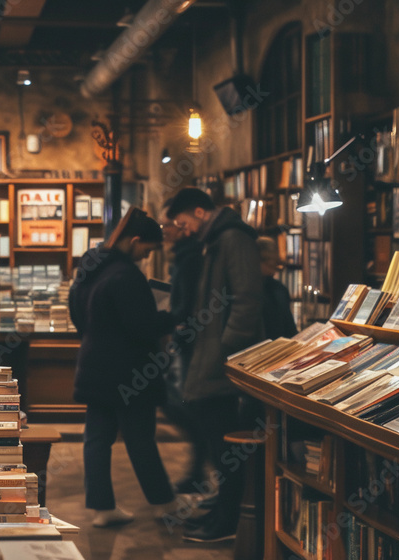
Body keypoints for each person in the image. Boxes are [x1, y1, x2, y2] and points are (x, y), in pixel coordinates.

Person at [164, 188, 263, 543]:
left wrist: (226, 349)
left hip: (223, 364)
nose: (183, 229)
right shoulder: (216, 240)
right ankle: (223, 511)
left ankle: (228, 520)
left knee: (226, 449)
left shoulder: (232, 239)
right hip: (212, 358)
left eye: (183, 222)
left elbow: (247, 298)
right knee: (218, 445)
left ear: (199, 212)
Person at [69, 208, 178, 528]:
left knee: (97, 438)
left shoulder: (89, 269)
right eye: (147, 249)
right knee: (140, 436)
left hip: (94, 363)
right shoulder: (127, 275)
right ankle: (163, 502)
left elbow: (78, 315)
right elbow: (142, 326)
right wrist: (172, 316)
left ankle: (102, 508)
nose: (146, 257)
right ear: (134, 241)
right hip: (130, 370)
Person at [160, 214, 207, 494]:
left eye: (168, 224)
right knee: (181, 403)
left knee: (184, 403)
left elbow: (186, 303)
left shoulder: (190, 258)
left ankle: (205, 462)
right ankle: (200, 465)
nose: (164, 230)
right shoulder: (185, 255)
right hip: (184, 340)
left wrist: (173, 321)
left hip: (190, 342)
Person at [257, 236, 298, 339]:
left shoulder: (279, 289)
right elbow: (290, 330)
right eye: (270, 263)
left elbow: (289, 328)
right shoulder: (279, 289)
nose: (275, 267)